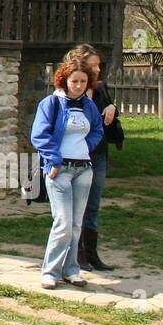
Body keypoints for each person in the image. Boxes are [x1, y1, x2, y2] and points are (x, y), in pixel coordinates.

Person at [31, 54, 105, 290]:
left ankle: (71, 270)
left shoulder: (89, 105)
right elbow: (39, 136)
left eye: (83, 82)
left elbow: (97, 130)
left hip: (83, 169)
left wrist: (87, 147)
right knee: (62, 222)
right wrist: (53, 160)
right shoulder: (51, 104)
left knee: (75, 224)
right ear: (64, 79)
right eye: (74, 81)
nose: (79, 86)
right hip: (59, 171)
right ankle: (50, 272)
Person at [69, 43, 124, 271]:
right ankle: (77, 253)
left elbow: (107, 113)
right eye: (92, 66)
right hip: (76, 156)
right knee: (76, 206)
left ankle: (92, 254)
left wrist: (112, 108)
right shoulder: (71, 90)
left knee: (93, 205)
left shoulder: (101, 88)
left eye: (98, 66)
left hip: (98, 154)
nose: (97, 70)